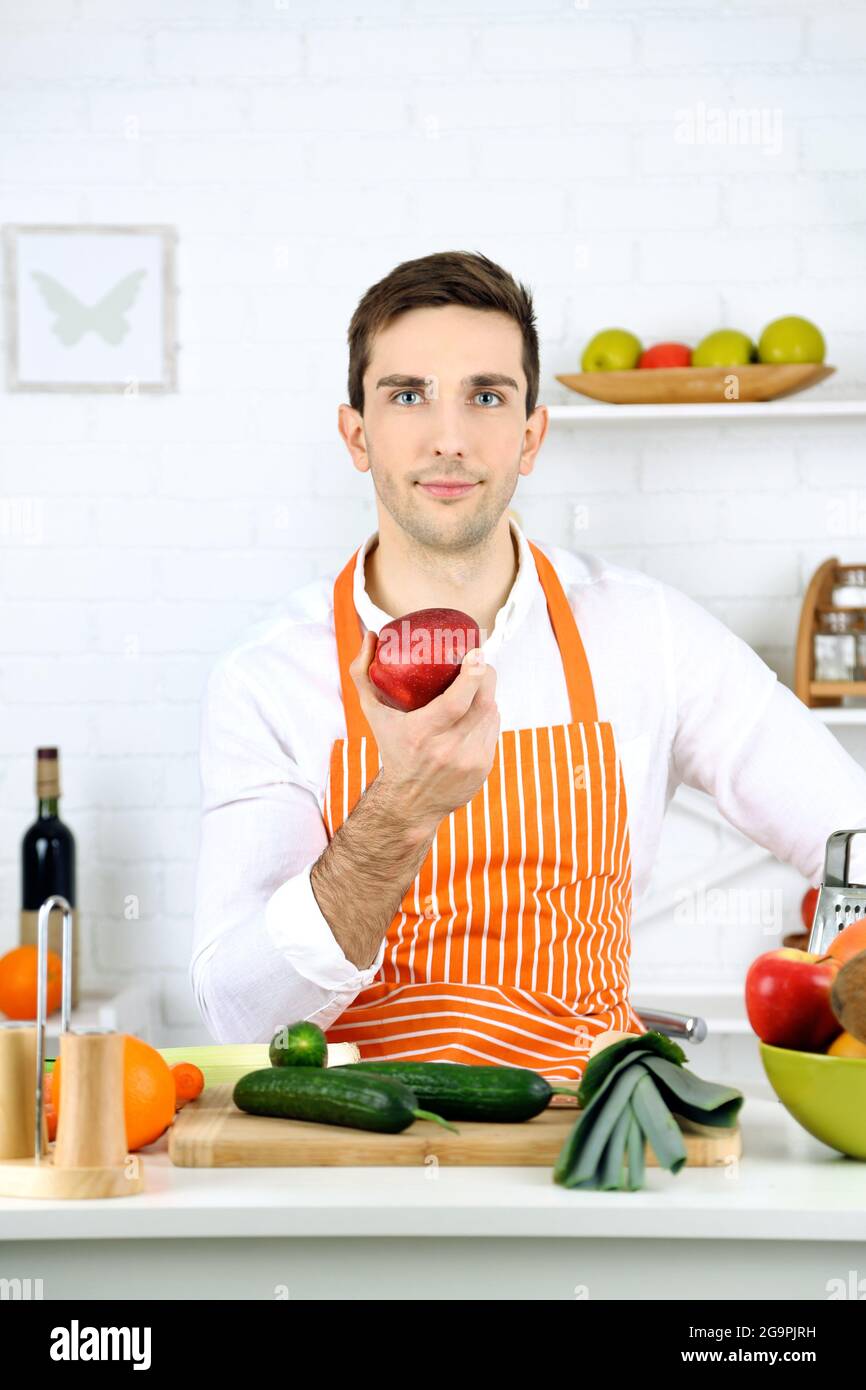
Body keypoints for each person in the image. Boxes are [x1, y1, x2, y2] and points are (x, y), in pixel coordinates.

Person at [189, 250, 866, 1084]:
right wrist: (399, 812)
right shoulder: (266, 679)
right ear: (356, 435)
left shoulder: (649, 634)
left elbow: (852, 835)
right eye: (408, 396)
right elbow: (240, 1012)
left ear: (531, 435)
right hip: (351, 1152)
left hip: (589, 1143)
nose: (449, 437)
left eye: (486, 396)